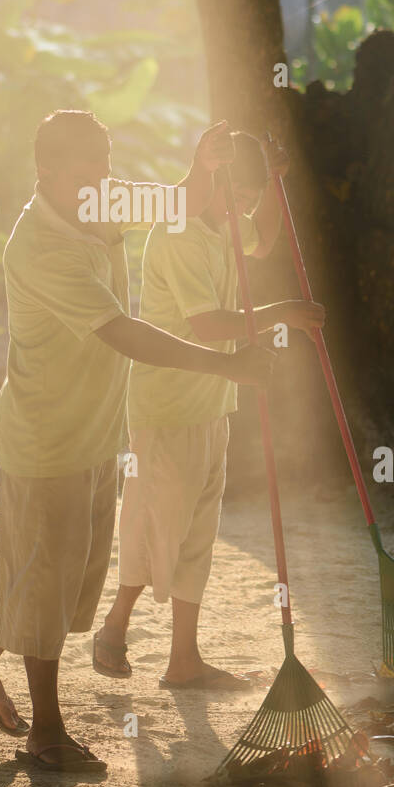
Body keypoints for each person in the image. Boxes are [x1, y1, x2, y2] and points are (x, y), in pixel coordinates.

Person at [0, 111, 276, 772]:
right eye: (82, 174)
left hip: (97, 428)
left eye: (104, 170)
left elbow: (175, 204)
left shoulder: (102, 198)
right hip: (47, 434)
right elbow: (122, 331)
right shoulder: (39, 244)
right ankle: (46, 731)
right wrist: (224, 363)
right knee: (48, 581)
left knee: (59, 578)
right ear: (45, 174)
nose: (98, 185)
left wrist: (200, 167)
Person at [93, 133, 325, 690]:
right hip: (167, 404)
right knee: (156, 528)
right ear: (216, 180)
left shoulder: (225, 225)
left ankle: (183, 662)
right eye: (236, 196)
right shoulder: (177, 233)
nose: (241, 209)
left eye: (247, 198)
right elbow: (208, 324)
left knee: (197, 534)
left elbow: (266, 242)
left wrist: (274, 182)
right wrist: (283, 313)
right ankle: (113, 628)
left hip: (215, 401)